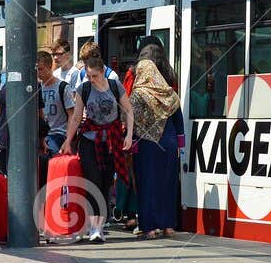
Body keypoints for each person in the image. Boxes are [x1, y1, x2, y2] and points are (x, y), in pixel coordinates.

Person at [60, 53, 135, 245]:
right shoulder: (84, 88)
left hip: (111, 139)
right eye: (89, 76)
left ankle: (99, 226)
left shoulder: (115, 86)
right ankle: (94, 228)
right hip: (89, 140)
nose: (92, 79)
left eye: (95, 76)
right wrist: (68, 140)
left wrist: (128, 135)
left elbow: (128, 110)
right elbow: (76, 117)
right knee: (92, 180)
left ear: (103, 72)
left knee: (106, 182)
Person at [129, 39, 183, 240]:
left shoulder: (137, 95)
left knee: (147, 184)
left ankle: (150, 227)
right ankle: (168, 225)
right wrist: (180, 145)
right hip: (168, 144)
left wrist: (132, 143)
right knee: (168, 184)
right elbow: (178, 121)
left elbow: (132, 122)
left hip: (147, 146)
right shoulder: (169, 93)